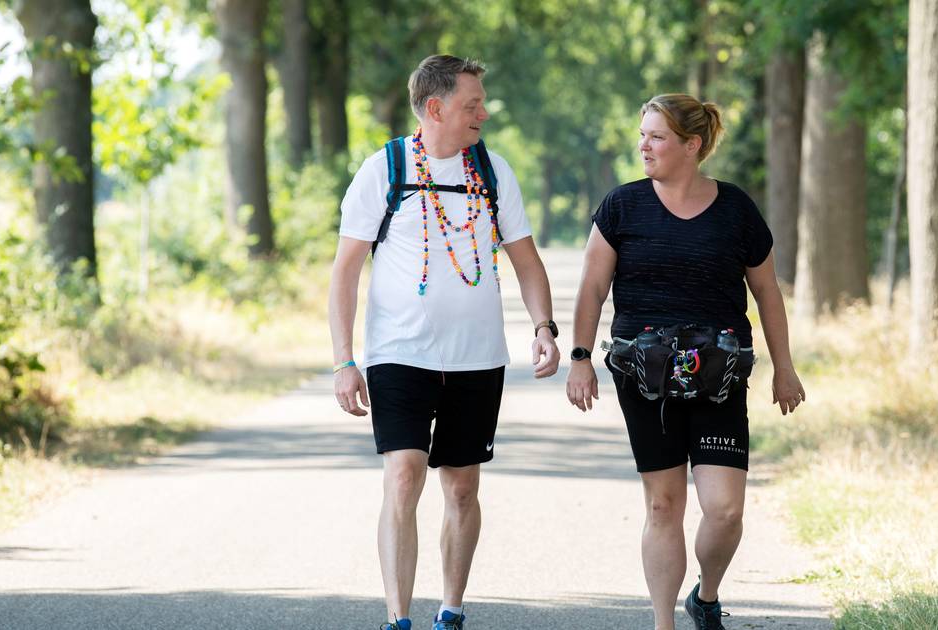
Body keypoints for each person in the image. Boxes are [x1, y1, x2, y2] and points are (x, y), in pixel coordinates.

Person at [329, 54, 560, 630]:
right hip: (398, 353)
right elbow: (344, 272)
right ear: (435, 108)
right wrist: (343, 361)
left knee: (460, 488)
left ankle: (451, 609)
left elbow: (527, 261)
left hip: (476, 358)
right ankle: (398, 618)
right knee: (404, 473)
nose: (482, 112)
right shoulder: (384, 169)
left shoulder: (493, 170)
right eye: (471, 104)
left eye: (481, 103)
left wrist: (544, 328)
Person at [565, 94, 806, 630]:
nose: (643, 146)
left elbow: (767, 292)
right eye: (643, 134)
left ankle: (707, 594)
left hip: (718, 379)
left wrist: (784, 367)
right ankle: (663, 623)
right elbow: (592, 287)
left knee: (725, 510)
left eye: (656, 136)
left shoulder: (737, 209)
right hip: (643, 377)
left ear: (691, 146)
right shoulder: (622, 206)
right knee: (663, 505)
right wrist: (580, 356)